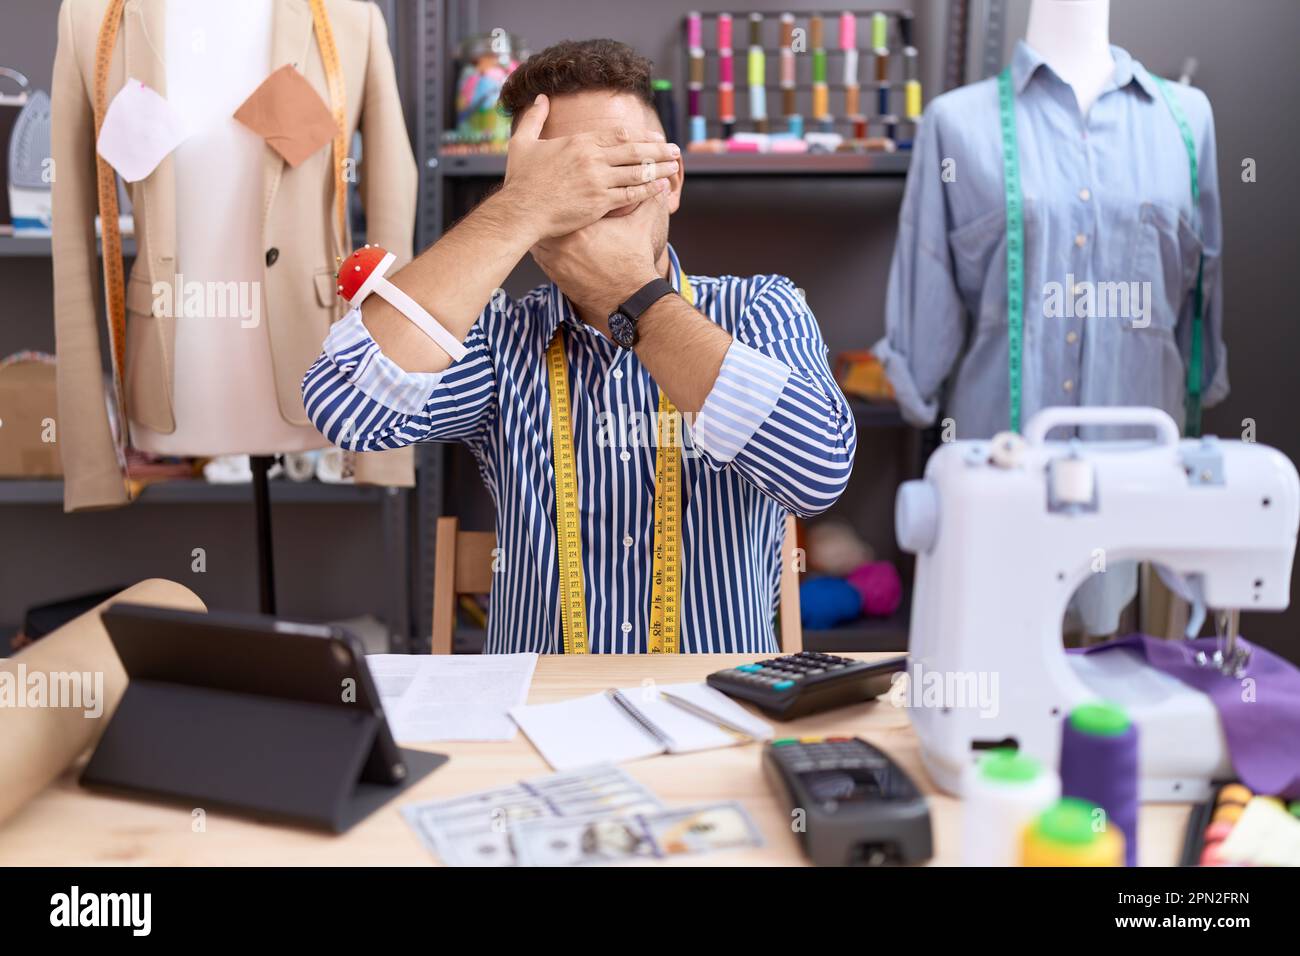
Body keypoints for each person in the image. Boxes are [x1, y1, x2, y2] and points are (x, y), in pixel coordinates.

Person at [303, 39, 856, 653]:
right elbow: (346, 409)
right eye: (567, 182)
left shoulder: (760, 309)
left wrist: (630, 292)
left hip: (715, 710)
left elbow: (817, 472)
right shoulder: (499, 340)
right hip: (535, 718)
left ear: (670, 183)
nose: (596, 201)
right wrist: (516, 211)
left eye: (618, 171)